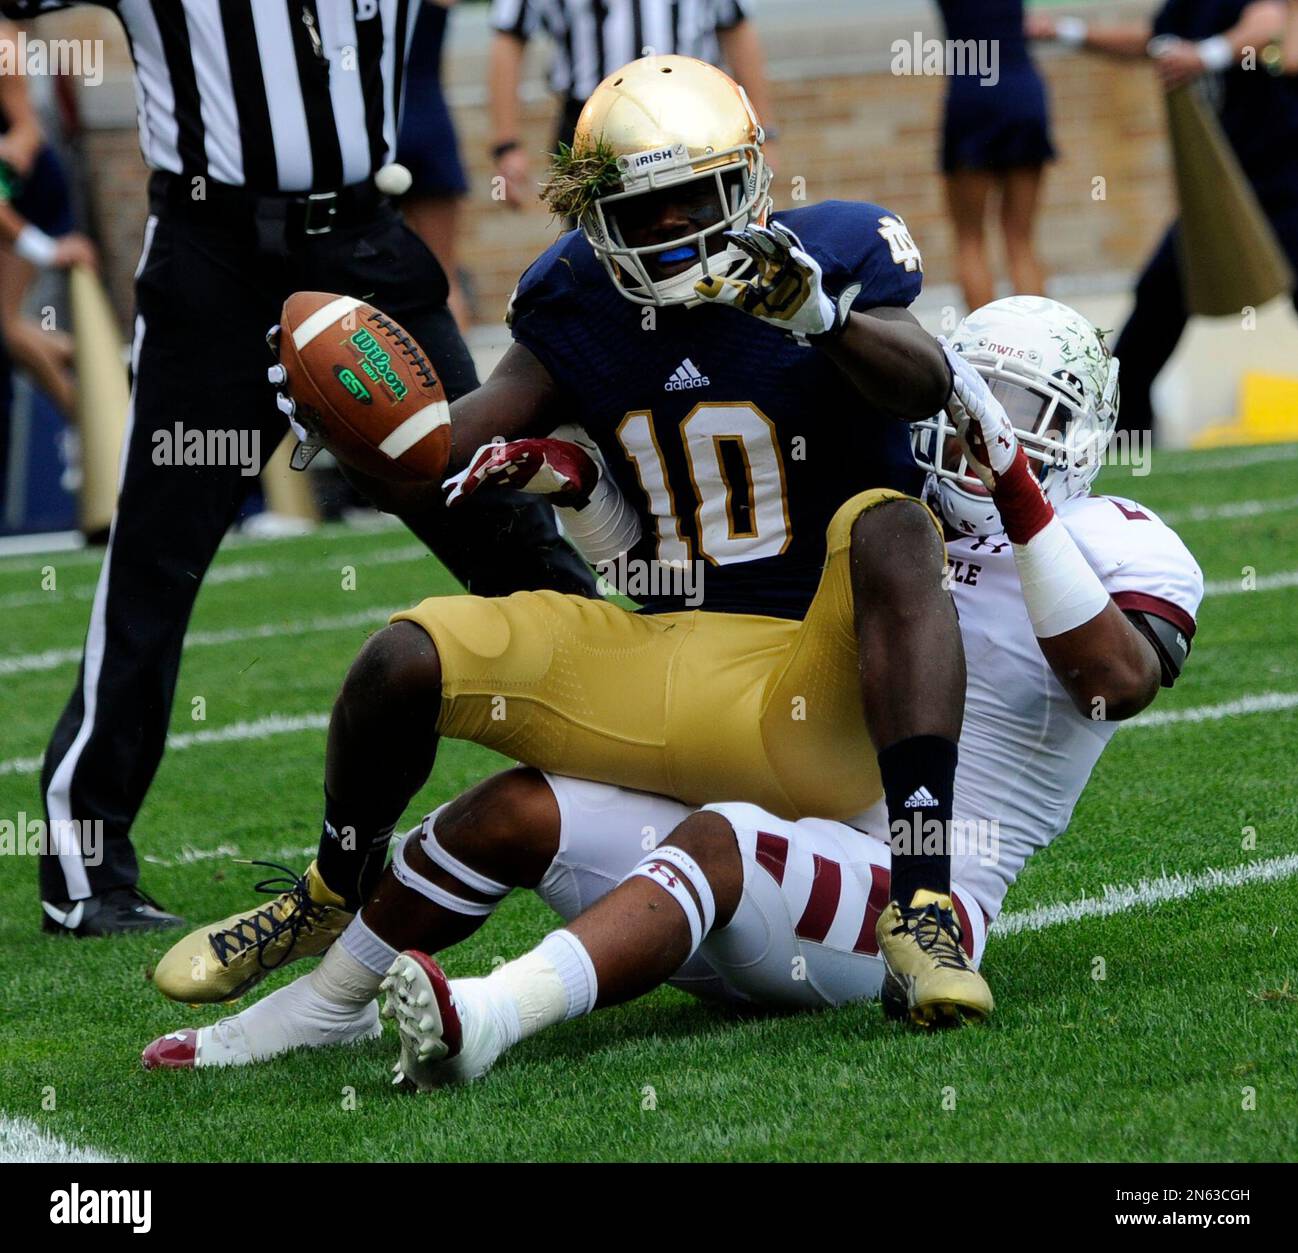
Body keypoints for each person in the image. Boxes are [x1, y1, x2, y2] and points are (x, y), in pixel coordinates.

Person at [139, 296, 1205, 1074]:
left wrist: (1016, 489)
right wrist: (573, 483)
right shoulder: (884, 497)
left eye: (1027, 409)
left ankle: (488, 1016)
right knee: (515, 806)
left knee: (725, 834)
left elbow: (1112, 680)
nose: (991, 433)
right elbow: (674, 586)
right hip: (766, 817)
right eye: (985, 400)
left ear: (1078, 433)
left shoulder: (1120, 539)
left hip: (896, 894)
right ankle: (328, 1001)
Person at [153, 55, 993, 1028]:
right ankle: (330, 886)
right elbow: (433, 459)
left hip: (823, 679)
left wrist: (819, 316)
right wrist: (349, 430)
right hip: (670, 661)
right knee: (404, 656)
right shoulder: (576, 297)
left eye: (691, 197)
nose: (673, 228)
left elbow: (926, 381)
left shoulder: (833, 253)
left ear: (747, 180)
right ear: (595, 222)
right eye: (643, 211)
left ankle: (923, 902)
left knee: (889, 527)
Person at [7, 0, 596, 941]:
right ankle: (85, 866)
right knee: (157, 557)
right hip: (212, 256)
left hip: (364, 245)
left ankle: (623, 781)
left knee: (502, 521)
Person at [1028, 1, 1298, 435]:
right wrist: (1067, 31)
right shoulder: (1190, 8)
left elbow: (1267, 23)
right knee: (1156, 299)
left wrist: (1205, 55)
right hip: (1223, 194)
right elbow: (1151, 41)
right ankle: (1122, 434)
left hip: (1286, 181)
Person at [488, 0, 776, 211]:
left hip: (694, 119)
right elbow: (510, 35)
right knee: (601, 248)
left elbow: (735, 27)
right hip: (595, 126)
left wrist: (762, 130)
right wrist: (507, 144)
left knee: (713, 228)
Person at [0, 18, 97, 420]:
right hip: (13, 198)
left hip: (28, 192)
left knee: (6, 328)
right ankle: (96, 367)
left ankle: (97, 425)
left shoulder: (2, 41)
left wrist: (46, 247)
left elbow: (28, 131)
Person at [936, 0, 1054, 311]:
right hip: (1023, 90)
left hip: (973, 93)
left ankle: (979, 352)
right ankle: (1038, 345)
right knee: (1021, 240)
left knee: (970, 238)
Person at [396, 0, 471, 331]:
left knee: (365, 278)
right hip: (428, 121)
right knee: (445, 276)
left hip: (377, 127)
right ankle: (462, 382)